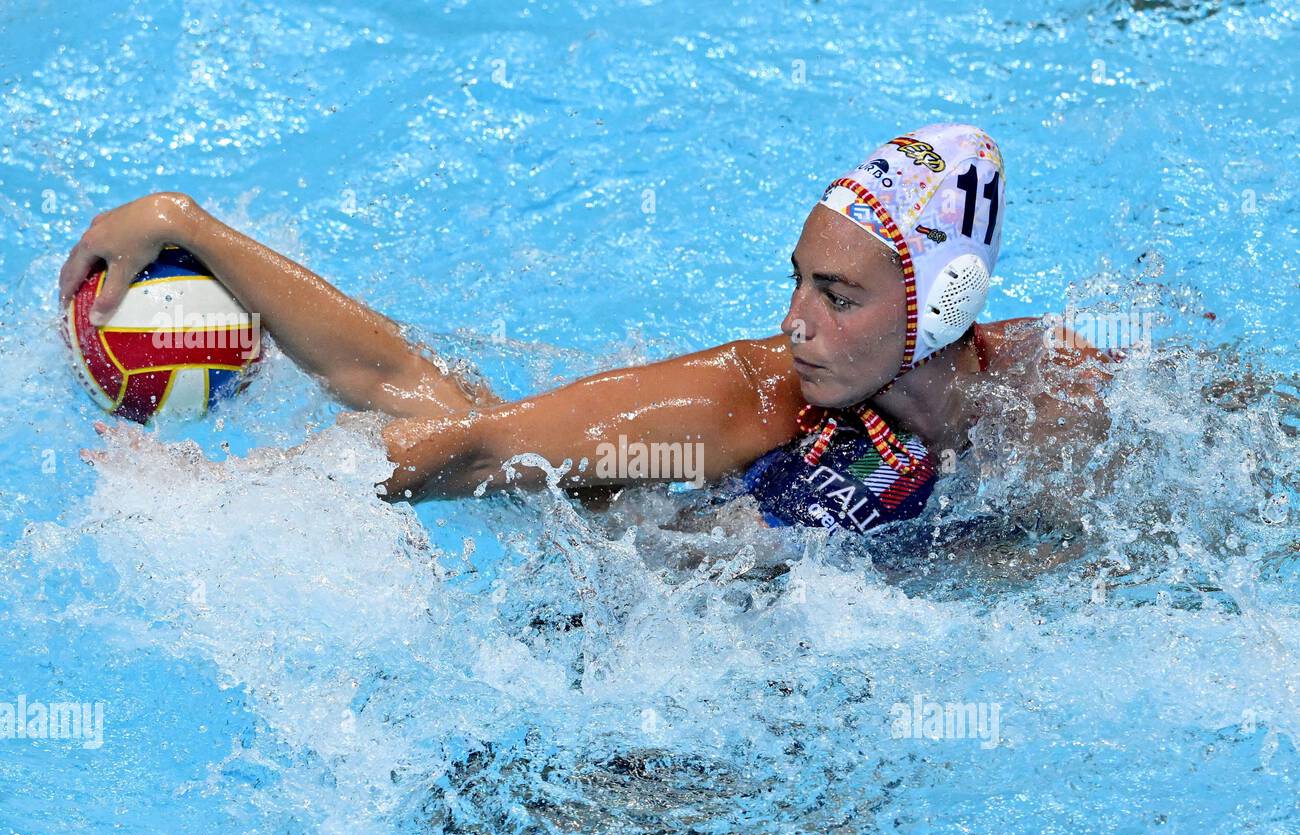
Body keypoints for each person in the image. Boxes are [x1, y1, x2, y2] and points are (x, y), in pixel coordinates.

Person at [61, 124, 1118, 534]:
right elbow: (471, 446)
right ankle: (188, 224)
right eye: (798, 282)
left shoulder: (1059, 388)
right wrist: (229, 502)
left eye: (837, 299)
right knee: (471, 423)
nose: (793, 323)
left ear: (941, 303)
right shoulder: (753, 397)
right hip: (653, 589)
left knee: (458, 401)